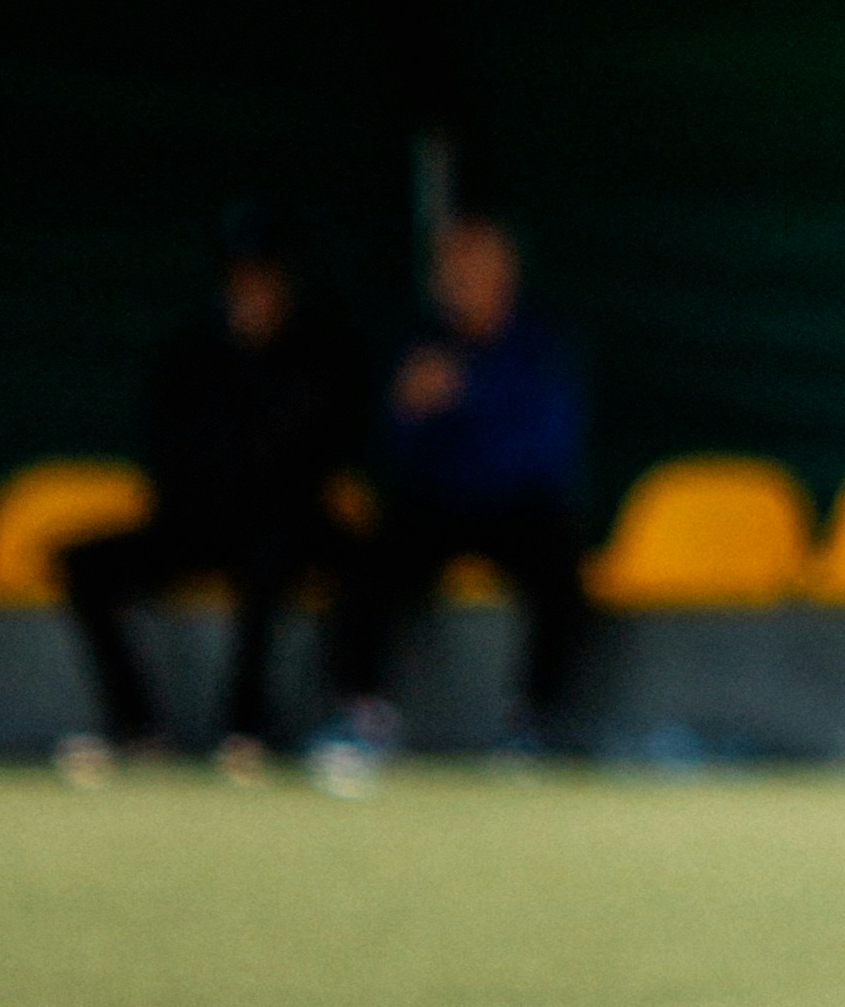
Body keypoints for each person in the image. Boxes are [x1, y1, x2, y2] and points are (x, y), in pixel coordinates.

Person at [57, 205, 359, 779]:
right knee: (85, 564)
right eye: (241, 276)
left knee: (277, 550)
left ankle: (248, 727)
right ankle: (139, 728)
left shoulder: (323, 352)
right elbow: (174, 457)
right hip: (199, 522)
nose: (252, 290)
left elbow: (318, 455)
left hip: (289, 523)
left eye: (264, 275)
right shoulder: (190, 356)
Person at [312, 213, 589, 783]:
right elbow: (398, 453)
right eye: (451, 273)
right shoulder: (423, 349)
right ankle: (364, 715)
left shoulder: (539, 349)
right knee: (366, 562)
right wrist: (413, 413)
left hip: (517, 509)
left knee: (561, 568)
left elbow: (548, 452)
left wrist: (469, 400)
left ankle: (534, 723)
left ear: (503, 275)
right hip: (435, 508)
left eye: (474, 270)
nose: (461, 284)